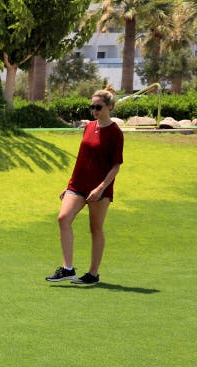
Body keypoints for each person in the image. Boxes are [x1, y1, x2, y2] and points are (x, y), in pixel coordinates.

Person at [46, 87, 124, 285]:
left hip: (100, 188)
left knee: (95, 228)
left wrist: (100, 188)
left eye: (98, 107)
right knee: (63, 218)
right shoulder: (89, 127)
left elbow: (116, 166)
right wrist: (69, 185)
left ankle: (93, 274)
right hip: (78, 184)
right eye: (92, 107)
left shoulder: (115, 133)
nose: (94, 111)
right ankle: (67, 269)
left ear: (109, 107)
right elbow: (82, 159)